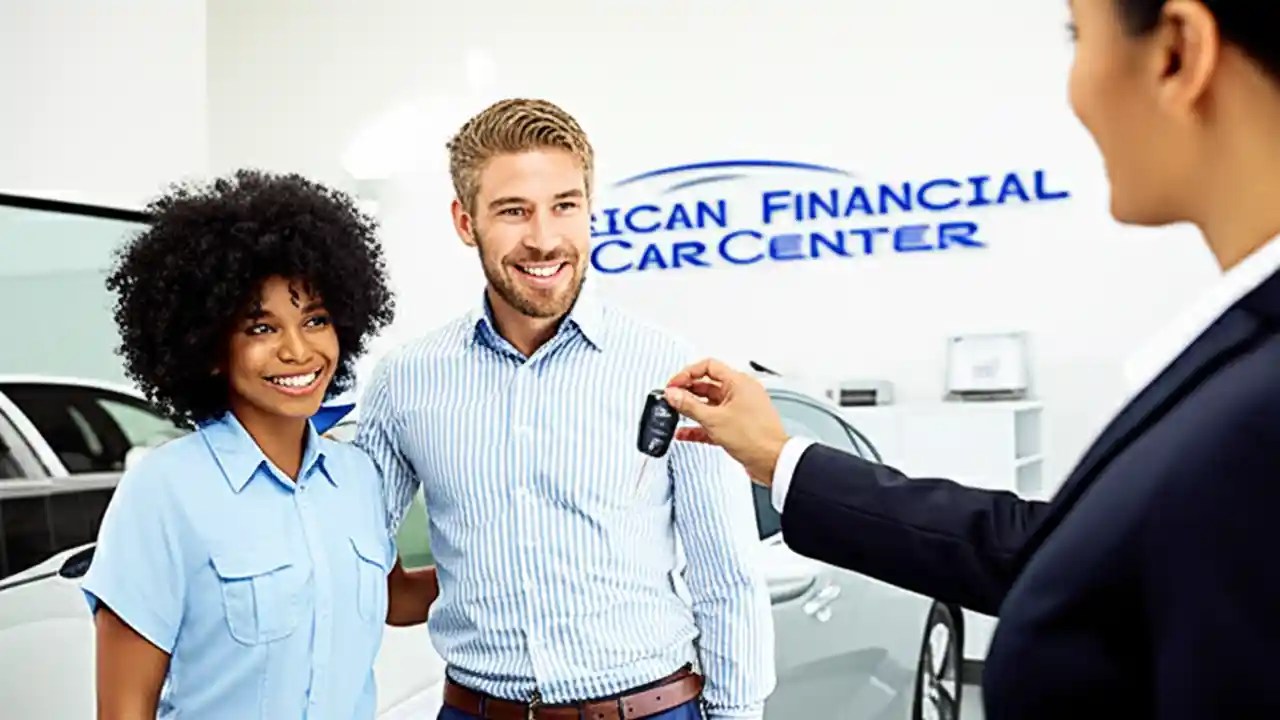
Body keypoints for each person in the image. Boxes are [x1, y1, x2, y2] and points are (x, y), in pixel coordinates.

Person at [660, 1, 1280, 718]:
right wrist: (781, 458)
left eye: (1078, 37)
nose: (1074, 90)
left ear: (1177, 52)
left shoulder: (1256, 402)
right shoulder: (1235, 370)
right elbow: (1034, 551)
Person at [354, 98, 776, 720]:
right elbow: (349, 550)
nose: (544, 238)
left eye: (565, 206)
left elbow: (727, 579)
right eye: (513, 211)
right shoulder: (406, 381)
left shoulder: (672, 367)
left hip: (650, 709)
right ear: (465, 222)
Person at [83, 170, 401, 718]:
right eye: (261, 328)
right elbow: (123, 709)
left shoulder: (358, 478)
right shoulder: (163, 493)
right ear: (208, 347)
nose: (298, 350)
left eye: (315, 320)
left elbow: (391, 597)